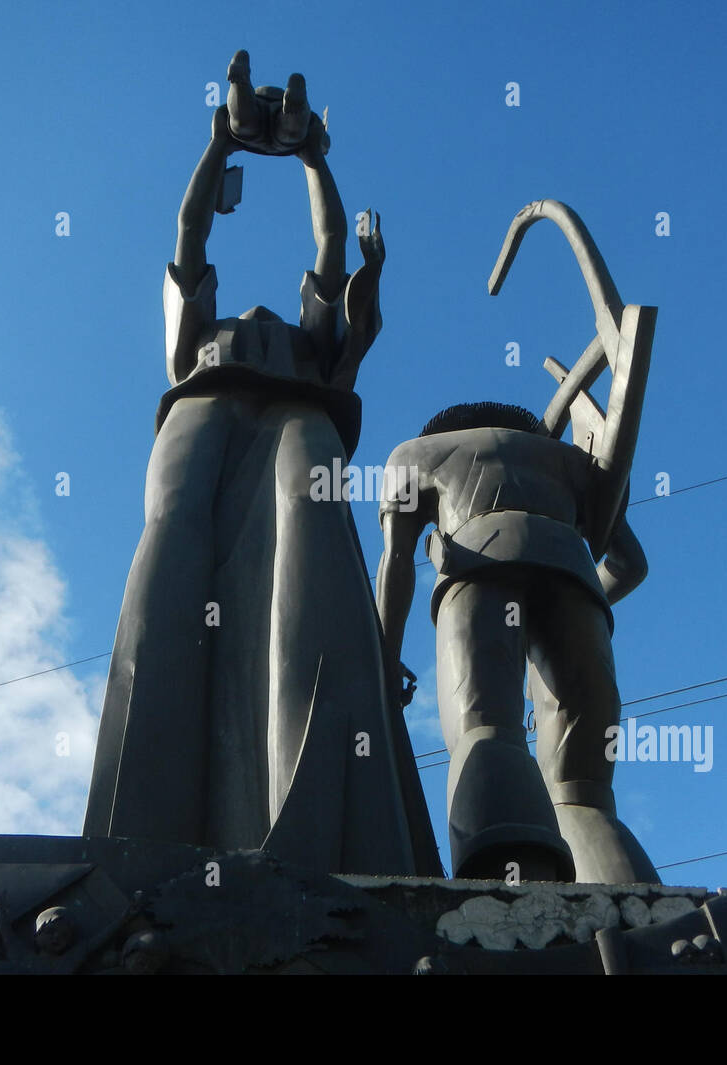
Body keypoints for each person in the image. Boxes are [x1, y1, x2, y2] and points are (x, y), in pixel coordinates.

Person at [83, 52, 440, 878]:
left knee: (310, 566)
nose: (256, 310)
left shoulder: (308, 356)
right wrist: (218, 148)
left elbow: (327, 247)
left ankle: (323, 830)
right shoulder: (199, 347)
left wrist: (316, 159)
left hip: (296, 421)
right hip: (202, 416)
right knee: (171, 564)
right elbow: (189, 234)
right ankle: (141, 845)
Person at [376, 401, 658, 884]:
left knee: (484, 734)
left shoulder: (415, 452)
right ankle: (642, 914)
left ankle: (505, 909)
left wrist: (384, 653)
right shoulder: (573, 461)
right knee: (582, 790)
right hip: (577, 588)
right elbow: (630, 565)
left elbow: (397, 562)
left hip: (478, 565)